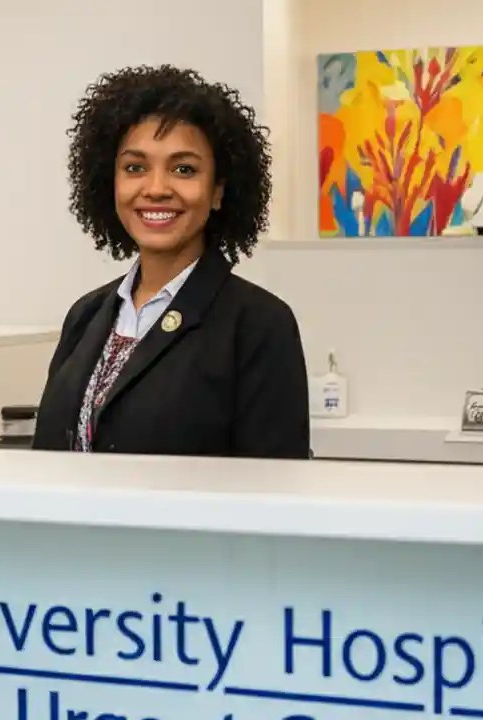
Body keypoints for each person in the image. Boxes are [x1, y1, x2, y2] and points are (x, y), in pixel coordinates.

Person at [31, 65, 310, 459]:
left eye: (184, 169)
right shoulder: (85, 315)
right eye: (135, 168)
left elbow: (276, 482)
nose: (157, 188)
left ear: (218, 191)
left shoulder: (259, 324)